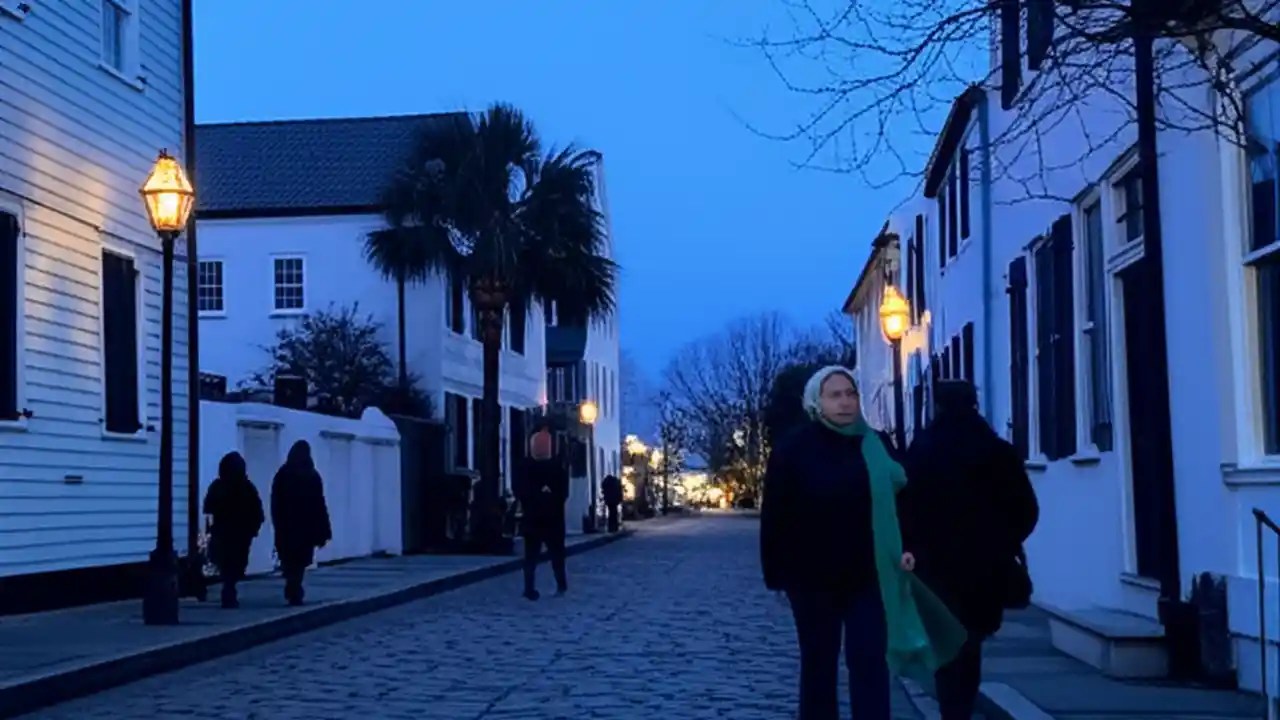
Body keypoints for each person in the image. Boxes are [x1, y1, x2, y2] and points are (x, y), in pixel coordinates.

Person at [761, 365, 965, 720]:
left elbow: (908, 502)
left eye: (850, 393)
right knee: (818, 665)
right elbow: (776, 513)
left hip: (870, 576)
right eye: (834, 395)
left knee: (870, 663)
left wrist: (911, 548)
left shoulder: (878, 445)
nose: (844, 402)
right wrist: (777, 573)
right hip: (812, 578)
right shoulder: (794, 449)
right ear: (816, 402)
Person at [899, 380, 1039, 720]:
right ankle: (961, 706)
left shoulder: (922, 450)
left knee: (947, 646)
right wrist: (1004, 540)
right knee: (971, 643)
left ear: (938, 405)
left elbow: (904, 507)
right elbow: (1025, 509)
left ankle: (952, 712)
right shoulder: (996, 451)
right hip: (984, 565)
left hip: (935, 565)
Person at [270, 440, 332, 606]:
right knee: (300, 561)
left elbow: (276, 503)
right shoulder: (312, 475)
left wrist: (278, 523)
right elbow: (319, 504)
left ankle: (292, 586)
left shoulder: (283, 474)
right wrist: (324, 530)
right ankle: (295, 587)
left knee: (289, 559)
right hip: (306, 528)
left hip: (287, 528)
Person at [202, 452, 265, 609]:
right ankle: (230, 589)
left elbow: (208, 508)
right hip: (241, 533)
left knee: (224, 563)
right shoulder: (247, 487)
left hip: (222, 532)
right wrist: (253, 528)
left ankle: (228, 588)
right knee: (236, 563)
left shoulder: (217, 486)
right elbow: (257, 511)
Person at [515, 424, 569, 600]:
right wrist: (548, 497)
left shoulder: (525, 467)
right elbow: (563, 493)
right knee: (556, 554)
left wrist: (533, 498)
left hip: (533, 518)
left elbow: (520, 491)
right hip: (552, 519)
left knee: (531, 556)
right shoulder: (557, 467)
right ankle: (560, 584)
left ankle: (529, 587)